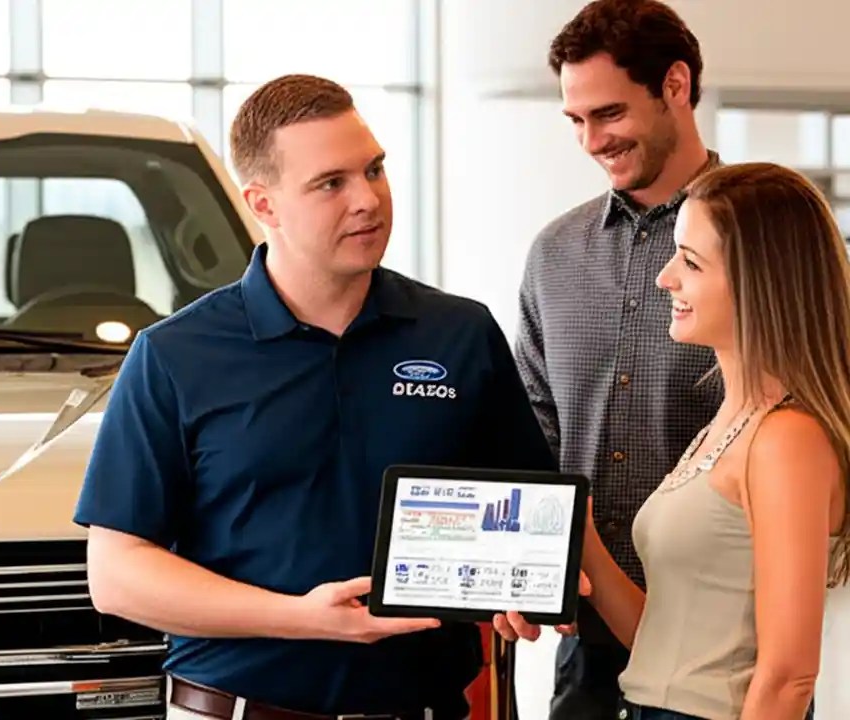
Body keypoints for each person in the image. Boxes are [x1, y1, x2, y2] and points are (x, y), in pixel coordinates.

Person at [74, 73, 555, 719]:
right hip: (236, 707)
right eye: (332, 183)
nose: (369, 200)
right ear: (262, 204)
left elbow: (523, 512)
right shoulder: (174, 355)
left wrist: (525, 582)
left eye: (375, 170)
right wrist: (302, 618)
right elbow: (117, 575)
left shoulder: (460, 334)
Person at [573, 161, 850, 719]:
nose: (665, 276)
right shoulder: (730, 420)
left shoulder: (786, 440)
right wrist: (582, 541)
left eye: (691, 262)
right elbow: (669, 646)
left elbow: (788, 676)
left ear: (759, 283)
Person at [512, 2, 721, 716]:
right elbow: (532, 433)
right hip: (587, 640)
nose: (591, 140)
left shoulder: (764, 247)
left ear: (675, 85)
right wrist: (520, 577)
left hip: (727, 644)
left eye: (608, 113)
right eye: (575, 120)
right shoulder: (553, 255)